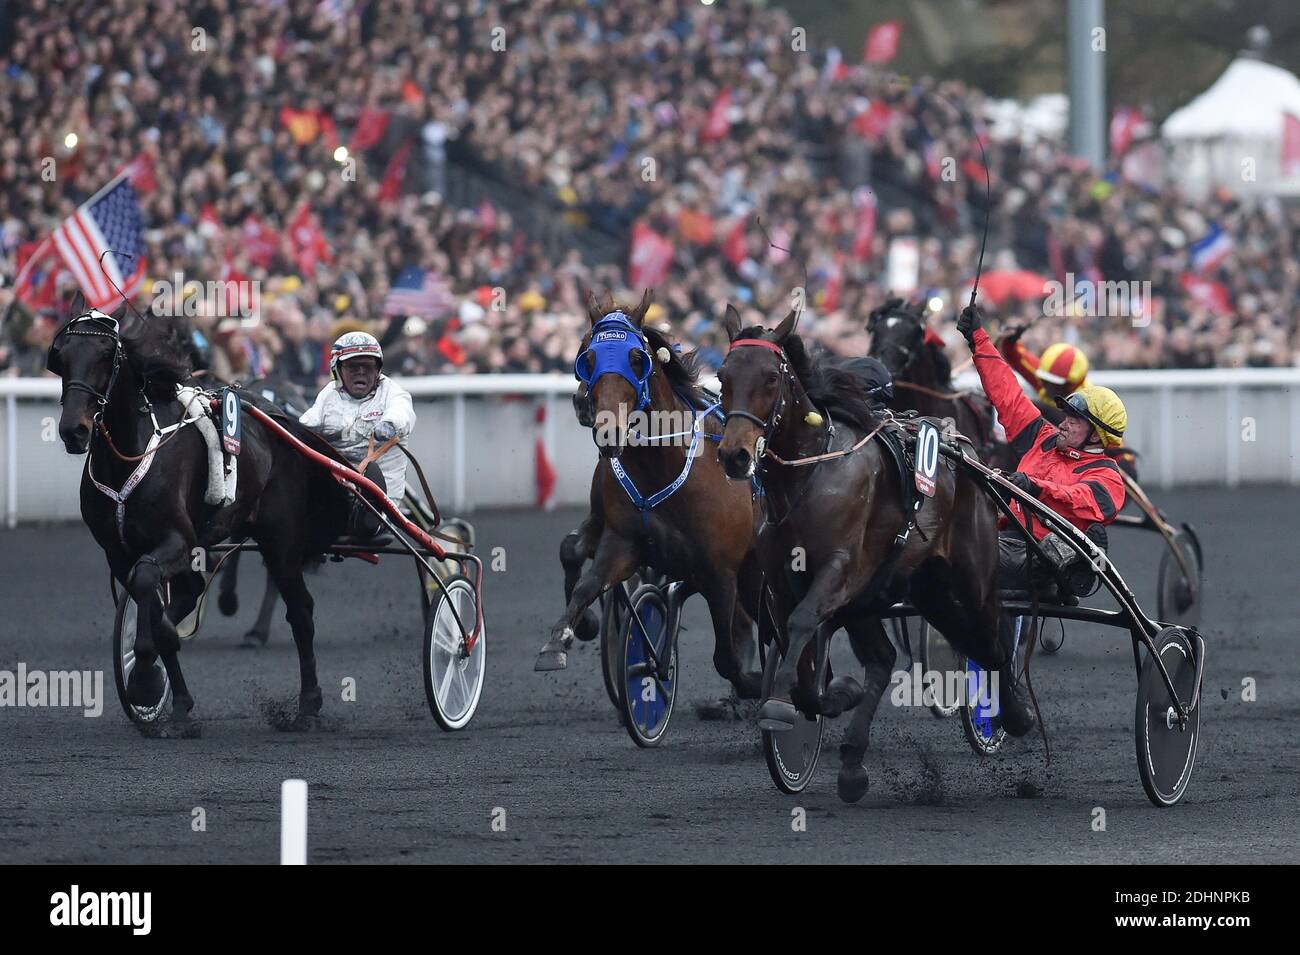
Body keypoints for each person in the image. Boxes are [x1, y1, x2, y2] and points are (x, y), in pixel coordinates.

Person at [957, 304, 1129, 736]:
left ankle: (994, 694)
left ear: (1097, 434)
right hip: (1003, 544)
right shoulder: (1041, 437)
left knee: (976, 572)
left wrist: (1039, 490)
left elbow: (1088, 504)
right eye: (1067, 415)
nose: (1064, 422)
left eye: (1075, 419)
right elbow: (1006, 394)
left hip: (1043, 563)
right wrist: (979, 340)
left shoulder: (1106, 476)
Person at [300, 331, 416, 541]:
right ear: (338, 370)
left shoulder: (391, 392)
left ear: (378, 369)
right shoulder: (329, 395)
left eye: (368, 366)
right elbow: (307, 423)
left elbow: (402, 412)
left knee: (370, 471)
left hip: (379, 493)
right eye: (353, 367)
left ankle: (375, 522)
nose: (361, 372)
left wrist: (389, 425)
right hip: (336, 490)